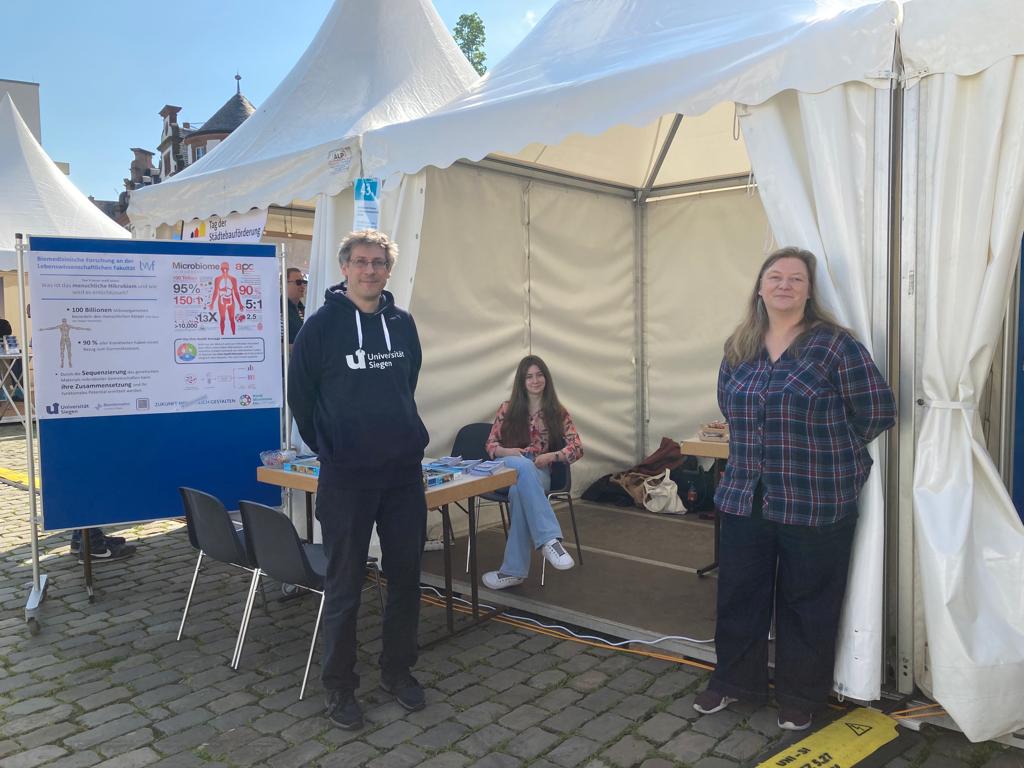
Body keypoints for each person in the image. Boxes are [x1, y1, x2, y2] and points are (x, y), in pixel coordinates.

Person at [692, 247, 896, 731]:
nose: (784, 285)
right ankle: (734, 682)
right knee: (740, 595)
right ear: (760, 288)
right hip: (746, 496)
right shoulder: (739, 347)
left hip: (817, 499)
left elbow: (878, 411)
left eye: (796, 279)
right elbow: (730, 406)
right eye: (775, 277)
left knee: (808, 602)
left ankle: (801, 695)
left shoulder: (834, 346)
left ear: (809, 291)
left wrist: (828, 452)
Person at [289, 229, 429, 731]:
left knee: (406, 578)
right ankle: (339, 687)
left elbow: (406, 383)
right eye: (362, 262)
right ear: (344, 268)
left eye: (379, 263)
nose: (371, 270)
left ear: (388, 271)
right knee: (344, 584)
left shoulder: (403, 324)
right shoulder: (321, 327)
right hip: (347, 478)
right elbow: (301, 398)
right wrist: (334, 447)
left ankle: (397, 671)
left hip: (402, 476)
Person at [481, 355, 583, 589]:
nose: (535, 380)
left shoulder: (557, 411)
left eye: (539, 375)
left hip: (539, 471)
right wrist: (508, 452)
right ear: (522, 381)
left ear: (546, 378)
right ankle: (549, 539)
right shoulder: (507, 408)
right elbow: (490, 446)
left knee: (520, 492)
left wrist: (552, 456)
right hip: (509, 466)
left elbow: (577, 448)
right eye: (529, 376)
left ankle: (513, 571)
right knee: (523, 467)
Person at [285, 267, 307, 348]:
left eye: (303, 282)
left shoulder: (305, 309)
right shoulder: (279, 310)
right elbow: (274, 344)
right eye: (298, 282)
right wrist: (300, 348)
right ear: (285, 283)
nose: (302, 286)